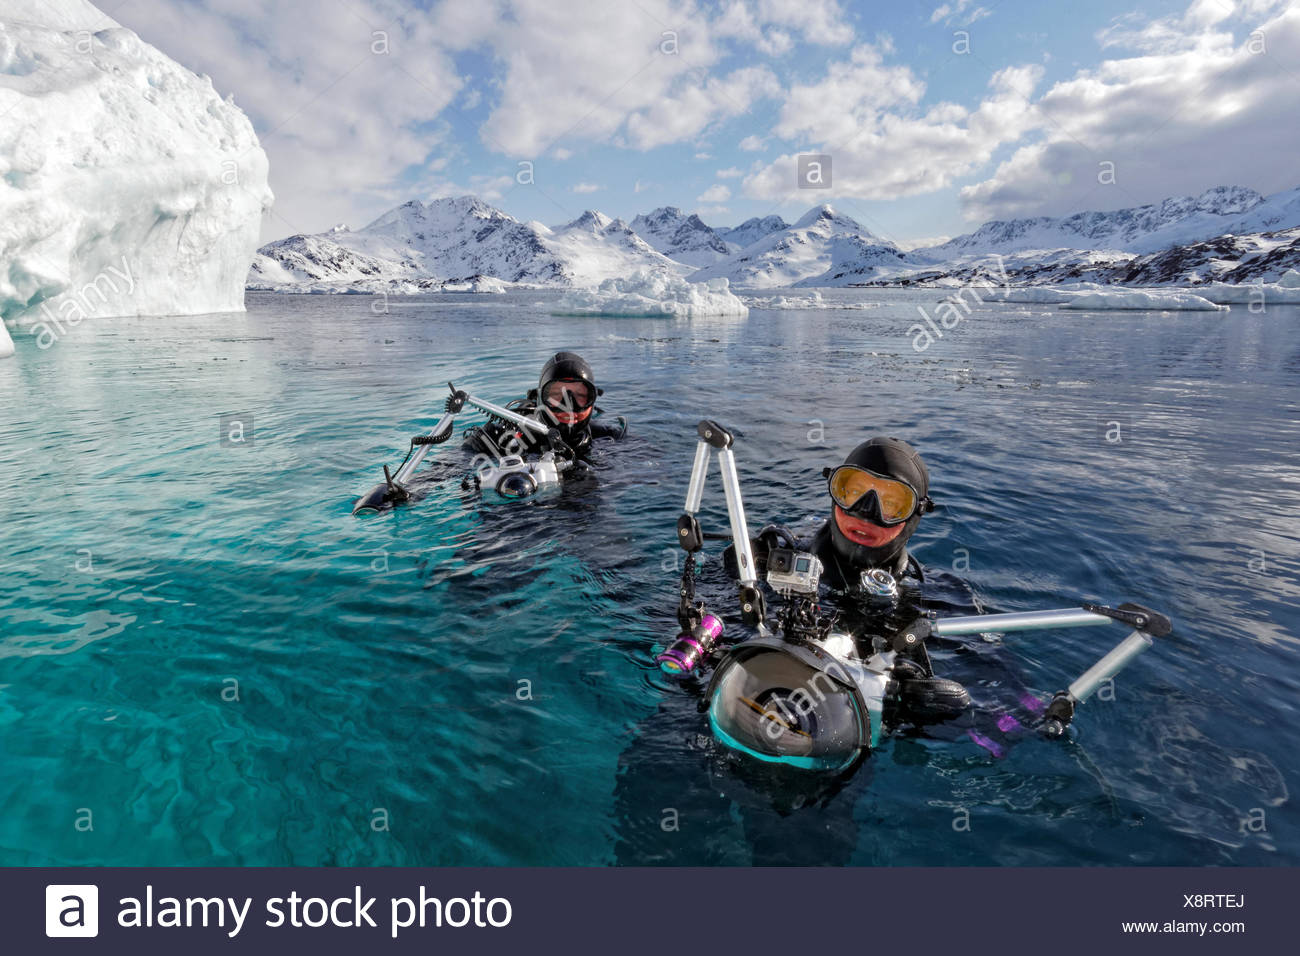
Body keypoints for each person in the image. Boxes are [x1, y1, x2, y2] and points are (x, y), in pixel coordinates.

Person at [723, 435, 969, 729]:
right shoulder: (766, 564)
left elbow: (999, 697)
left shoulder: (933, 600)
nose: (865, 511)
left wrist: (921, 706)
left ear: (915, 515)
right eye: (852, 491)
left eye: (892, 503)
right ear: (834, 492)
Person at [462, 350, 627, 464]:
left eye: (580, 396)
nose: (567, 406)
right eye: (556, 395)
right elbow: (444, 474)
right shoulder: (500, 438)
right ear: (539, 397)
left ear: (593, 400)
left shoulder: (609, 437)